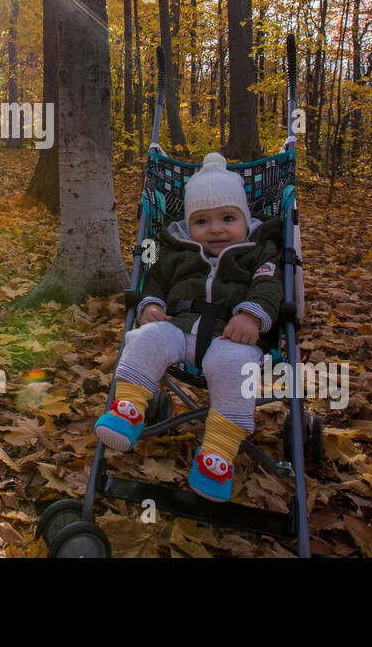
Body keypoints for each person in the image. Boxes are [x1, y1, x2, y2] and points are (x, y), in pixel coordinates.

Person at [95, 152, 284, 501]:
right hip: (178, 327)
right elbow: (153, 282)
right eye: (202, 221)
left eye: (228, 218)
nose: (215, 229)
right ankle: (128, 408)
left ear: (245, 220)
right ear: (188, 225)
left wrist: (252, 315)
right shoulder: (176, 252)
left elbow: (269, 286)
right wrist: (151, 305)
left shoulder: (260, 252)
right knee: (145, 337)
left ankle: (217, 453)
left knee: (234, 365)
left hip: (233, 336)